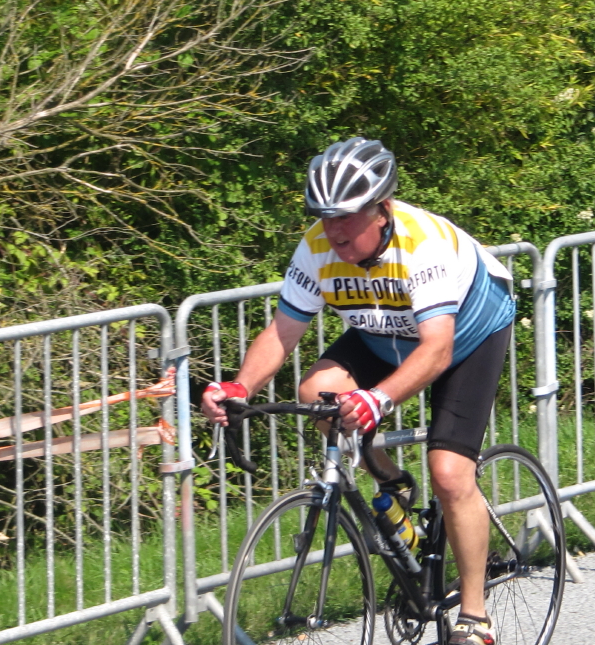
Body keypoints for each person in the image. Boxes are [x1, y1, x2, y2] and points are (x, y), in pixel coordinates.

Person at [201, 137, 515, 645]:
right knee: (319, 390)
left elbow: (436, 349)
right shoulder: (318, 247)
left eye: (346, 216)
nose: (334, 230)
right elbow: (283, 331)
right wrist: (238, 385)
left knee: (451, 472)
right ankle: (393, 483)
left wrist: (378, 399)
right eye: (324, 216)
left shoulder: (423, 245)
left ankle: (475, 617)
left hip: (466, 335)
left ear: (382, 209)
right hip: (384, 330)